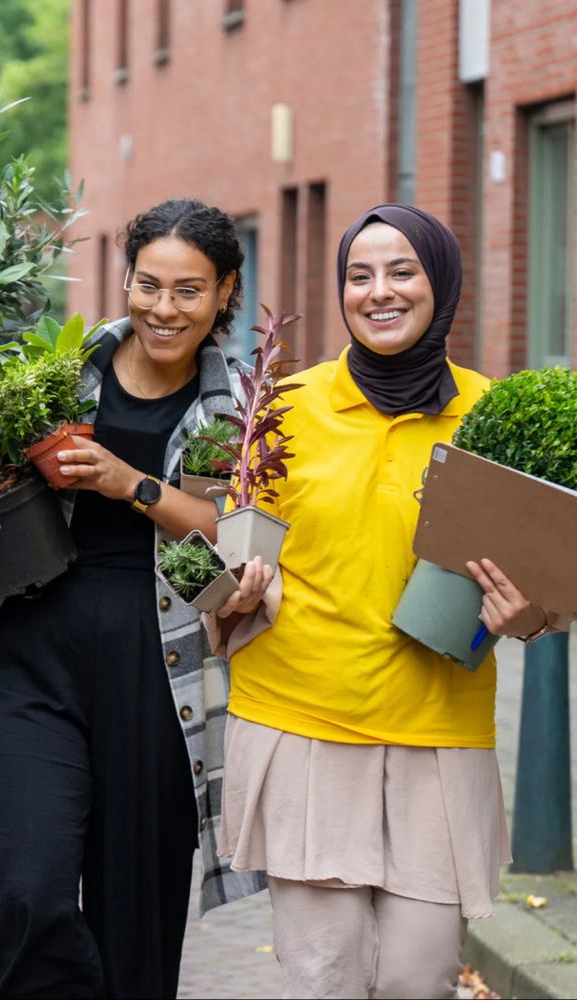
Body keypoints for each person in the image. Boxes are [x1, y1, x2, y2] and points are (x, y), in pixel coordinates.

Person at [211, 204, 572, 1000]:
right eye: (359, 275)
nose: (379, 292)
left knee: (420, 978)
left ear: (441, 282)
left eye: (402, 271)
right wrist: (234, 590)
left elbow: (545, 582)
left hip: (437, 732)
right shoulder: (284, 408)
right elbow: (233, 560)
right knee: (326, 978)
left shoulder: (490, 415)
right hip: (303, 721)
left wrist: (529, 617)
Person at [0, 198, 266, 999]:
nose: (163, 308)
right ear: (127, 278)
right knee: (28, 886)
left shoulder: (236, 410)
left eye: (188, 290)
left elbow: (229, 540)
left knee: (136, 917)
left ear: (224, 292)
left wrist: (130, 483)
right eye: (149, 284)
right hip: (32, 655)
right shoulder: (57, 377)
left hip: (160, 672)